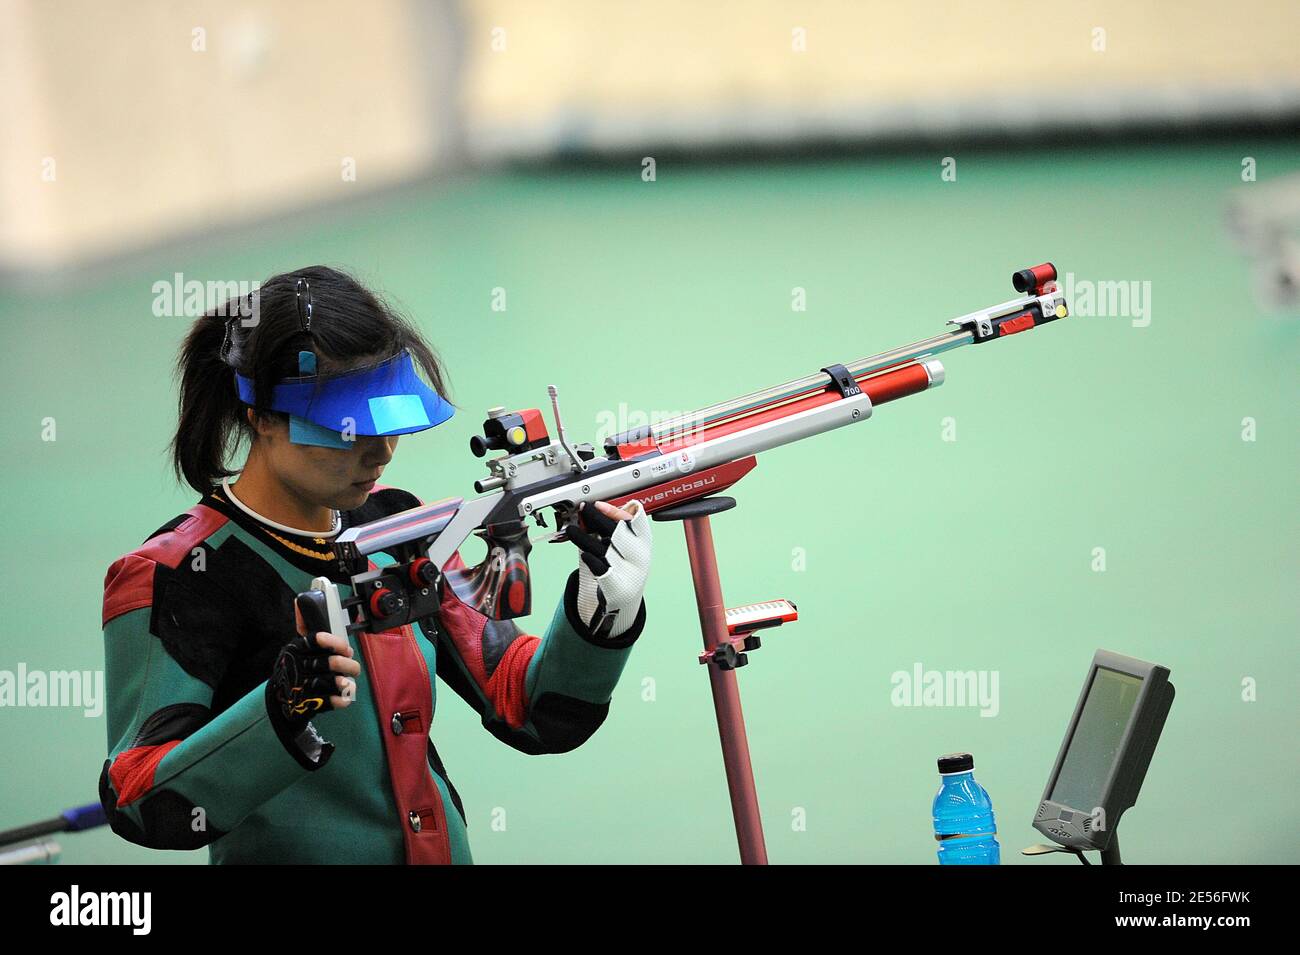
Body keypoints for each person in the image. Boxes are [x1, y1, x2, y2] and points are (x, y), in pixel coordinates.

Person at [98, 265, 652, 864]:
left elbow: (528, 706)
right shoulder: (177, 571)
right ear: (259, 413)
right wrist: (277, 712)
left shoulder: (405, 530)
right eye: (346, 425)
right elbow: (137, 797)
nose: (380, 448)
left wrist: (602, 616)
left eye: (384, 419)